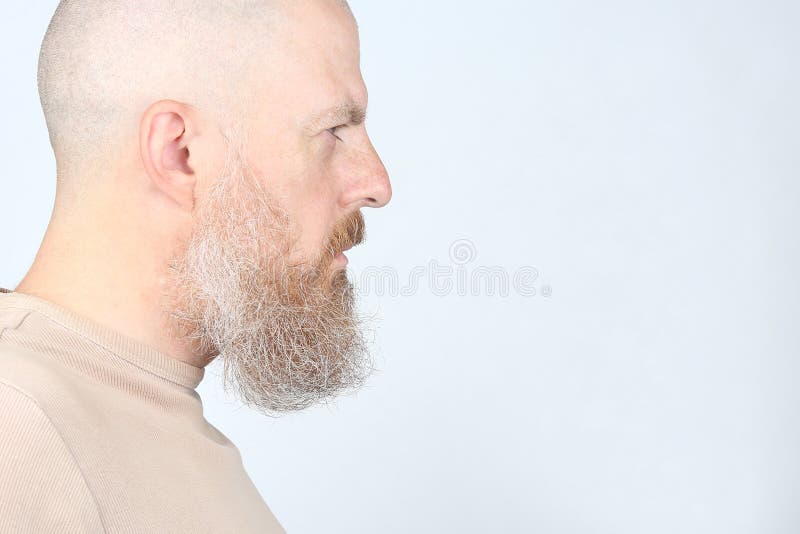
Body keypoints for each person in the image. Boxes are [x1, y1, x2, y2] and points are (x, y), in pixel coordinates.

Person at [0, 0, 392, 531]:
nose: (375, 184)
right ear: (179, 153)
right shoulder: (17, 429)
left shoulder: (146, 422)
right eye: (334, 129)